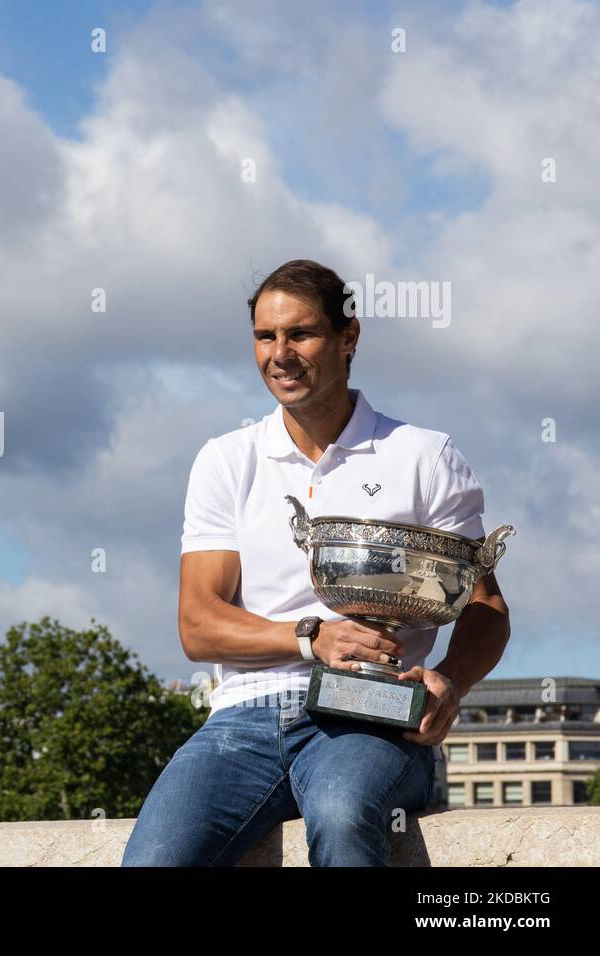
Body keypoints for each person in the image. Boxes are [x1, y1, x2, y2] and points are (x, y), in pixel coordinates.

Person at [121, 259, 511, 866]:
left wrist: (450, 681)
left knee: (340, 813)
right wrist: (312, 638)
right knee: (152, 861)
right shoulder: (226, 459)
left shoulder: (424, 456)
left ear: (347, 337)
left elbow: (485, 606)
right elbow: (198, 625)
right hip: (243, 718)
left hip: (374, 714)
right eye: (265, 336)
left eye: (300, 334)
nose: (280, 353)